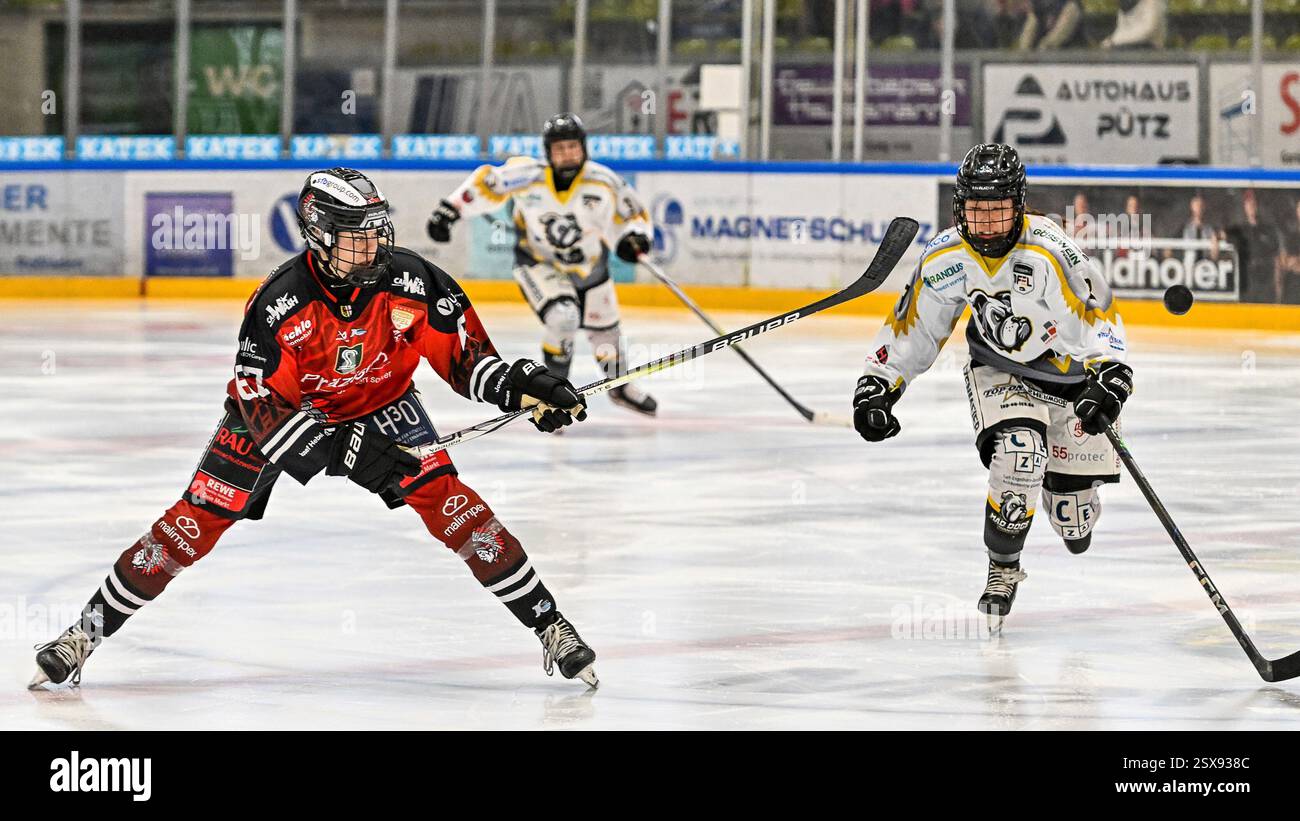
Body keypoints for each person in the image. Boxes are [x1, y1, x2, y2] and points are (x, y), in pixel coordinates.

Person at [30, 168, 600, 690]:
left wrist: (525, 385)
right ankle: (83, 635)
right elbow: (262, 412)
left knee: (459, 510)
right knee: (189, 527)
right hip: (279, 419)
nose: (374, 245)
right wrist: (347, 451)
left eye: (378, 230)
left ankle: (552, 627)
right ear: (320, 236)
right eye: (357, 235)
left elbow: (468, 360)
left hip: (383, 404)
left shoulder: (416, 281)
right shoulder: (280, 304)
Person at [852, 144, 1132, 629]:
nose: (985, 223)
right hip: (1000, 368)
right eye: (976, 210)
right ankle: (1003, 567)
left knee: (1076, 525)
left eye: (997, 210)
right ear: (960, 208)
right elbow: (918, 326)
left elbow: (1093, 310)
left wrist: (1110, 373)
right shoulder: (946, 257)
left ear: (1018, 206)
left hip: (1069, 380)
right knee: (1021, 452)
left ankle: (1057, 489)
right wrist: (879, 383)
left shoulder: (1049, 248)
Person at [427, 112, 658, 417]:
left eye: (573, 147)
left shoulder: (603, 181)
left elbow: (632, 215)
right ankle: (553, 393)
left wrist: (636, 238)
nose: (567, 154)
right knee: (563, 318)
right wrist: (451, 209)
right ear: (548, 151)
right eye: (559, 148)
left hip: (591, 268)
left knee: (607, 334)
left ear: (584, 148)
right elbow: (488, 182)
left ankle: (620, 387)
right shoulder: (527, 175)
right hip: (538, 265)